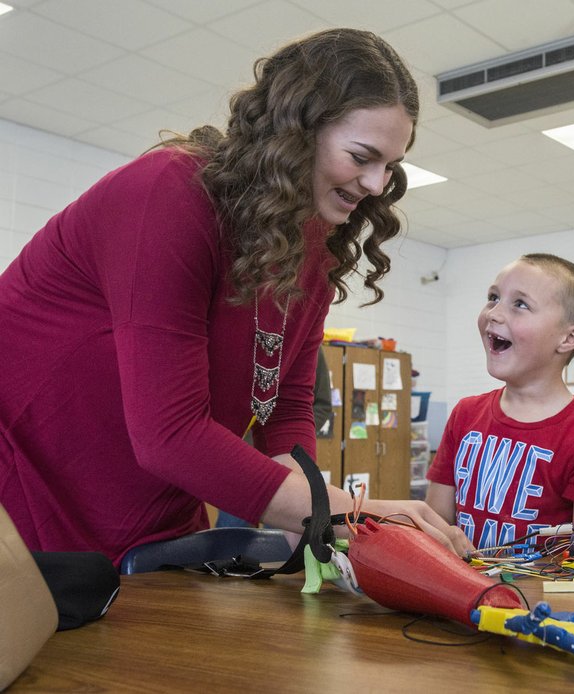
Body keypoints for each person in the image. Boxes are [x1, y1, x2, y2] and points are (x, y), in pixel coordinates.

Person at [0, 27, 469, 566]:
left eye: (390, 166)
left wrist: (310, 527)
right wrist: (345, 514)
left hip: (147, 509)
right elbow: (169, 435)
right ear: (297, 129)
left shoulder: (316, 242)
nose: (376, 183)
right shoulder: (168, 193)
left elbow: (287, 409)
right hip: (26, 487)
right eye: (362, 156)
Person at [425, 254, 574, 550]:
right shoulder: (465, 414)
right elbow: (435, 523)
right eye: (493, 297)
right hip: (459, 589)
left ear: (568, 338)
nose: (494, 313)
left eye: (520, 304)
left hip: (538, 594)